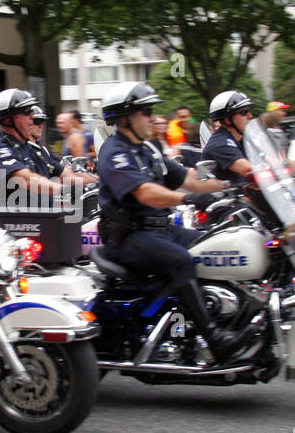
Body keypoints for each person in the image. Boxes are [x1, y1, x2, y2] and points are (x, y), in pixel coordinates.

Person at [95, 82, 250, 363]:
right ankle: (215, 339)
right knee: (181, 260)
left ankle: (225, 316)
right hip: (129, 238)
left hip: (161, 231)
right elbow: (146, 193)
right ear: (124, 118)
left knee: (217, 245)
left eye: (151, 111)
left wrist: (230, 186)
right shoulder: (114, 152)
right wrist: (186, 199)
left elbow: (188, 178)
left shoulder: (148, 148)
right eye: (145, 112)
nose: (152, 117)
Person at [0, 89, 89, 206]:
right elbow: (28, 180)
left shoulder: (31, 148)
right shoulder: (1, 151)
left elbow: (63, 172)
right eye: (26, 112)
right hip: (20, 222)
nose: (32, 116)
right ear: (7, 119)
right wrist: (63, 190)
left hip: (45, 218)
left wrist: (96, 181)